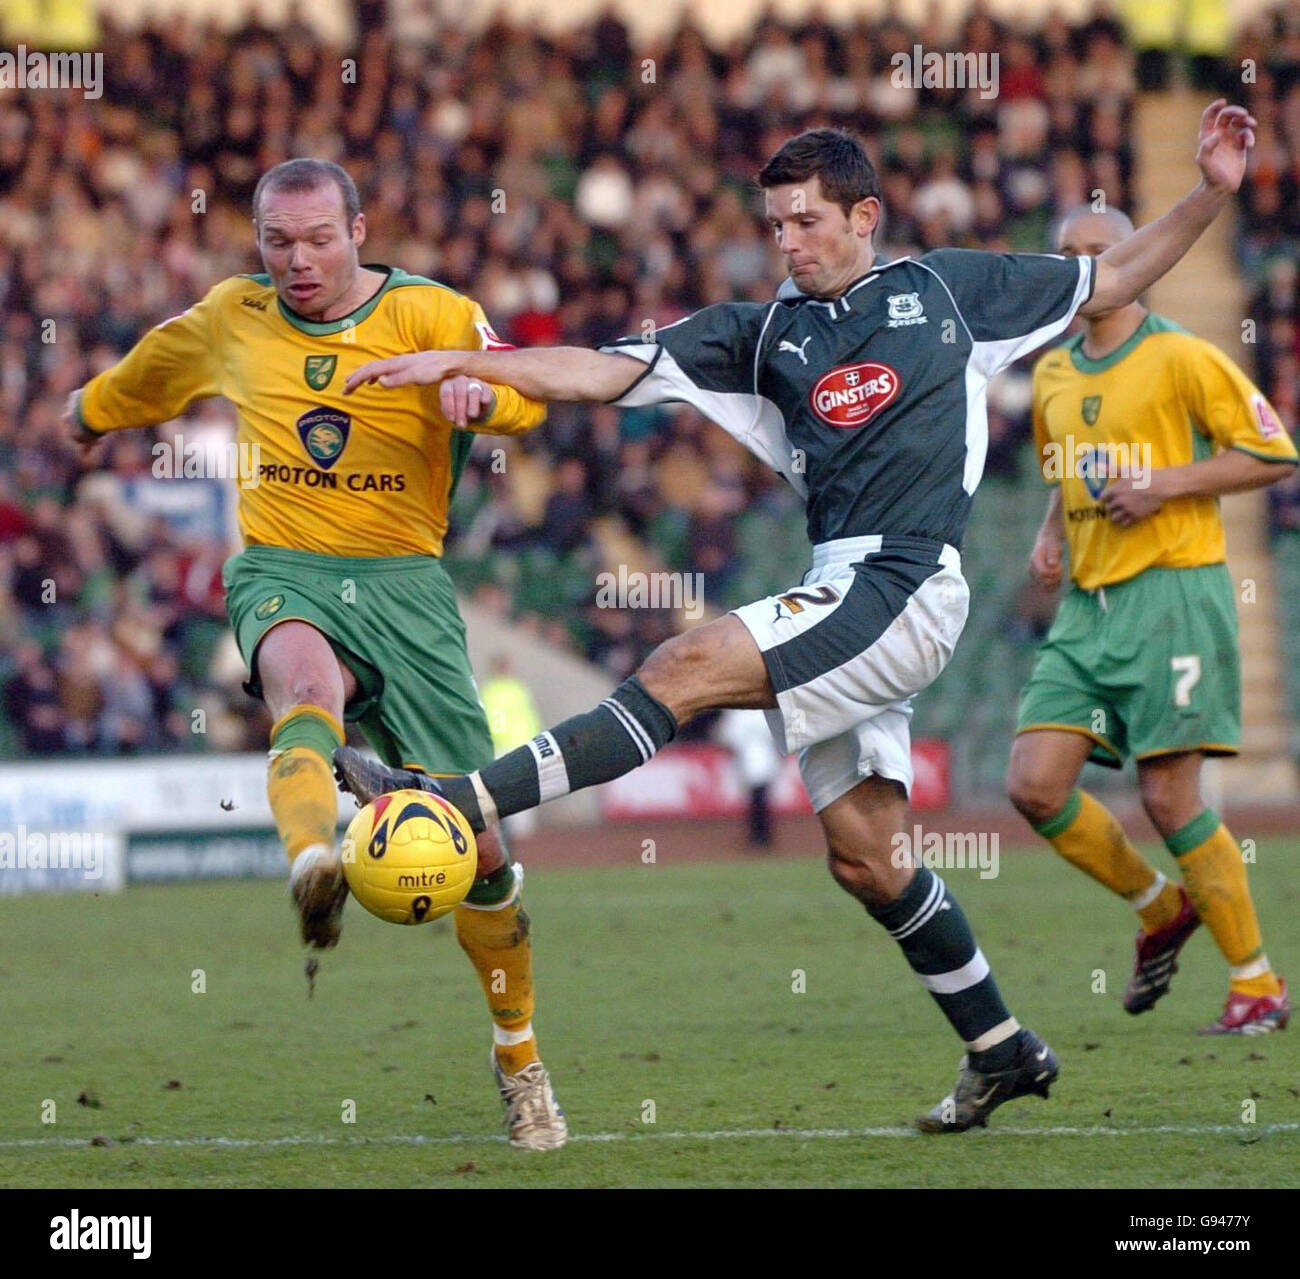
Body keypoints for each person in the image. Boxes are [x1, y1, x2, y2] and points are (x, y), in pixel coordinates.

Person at [335, 103, 1258, 1131]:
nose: (787, 242)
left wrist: (1212, 191)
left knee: (683, 663)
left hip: (905, 580)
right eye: (774, 224)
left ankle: (457, 799)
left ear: (865, 215)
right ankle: (1000, 1047)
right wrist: (469, 363)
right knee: (867, 855)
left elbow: (1112, 277)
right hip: (844, 579)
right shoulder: (759, 330)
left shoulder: (950, 292)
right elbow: (598, 370)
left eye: (807, 221)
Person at [63, 159, 568, 1150]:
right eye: (276, 241)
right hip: (282, 565)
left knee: (489, 854)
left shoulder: (429, 313)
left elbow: (525, 386)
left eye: (317, 239)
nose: (296, 261)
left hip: (407, 588)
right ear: (255, 239)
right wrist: (88, 412)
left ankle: (520, 1060)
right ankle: (311, 859)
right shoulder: (233, 316)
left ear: (359, 230)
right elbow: (148, 373)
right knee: (300, 684)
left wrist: (482, 397)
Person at [1006, 206, 1295, 1035]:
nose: (1083, 265)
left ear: (1142, 262)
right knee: (1033, 784)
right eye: (1068, 254)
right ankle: (1160, 906)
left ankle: (1258, 986)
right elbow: (1067, 474)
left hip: (1173, 597)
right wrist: (1049, 532)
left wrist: (1165, 483)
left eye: (1100, 251)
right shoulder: (1054, 373)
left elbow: (1274, 454)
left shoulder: (1181, 355)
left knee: (1170, 799)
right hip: (1087, 610)